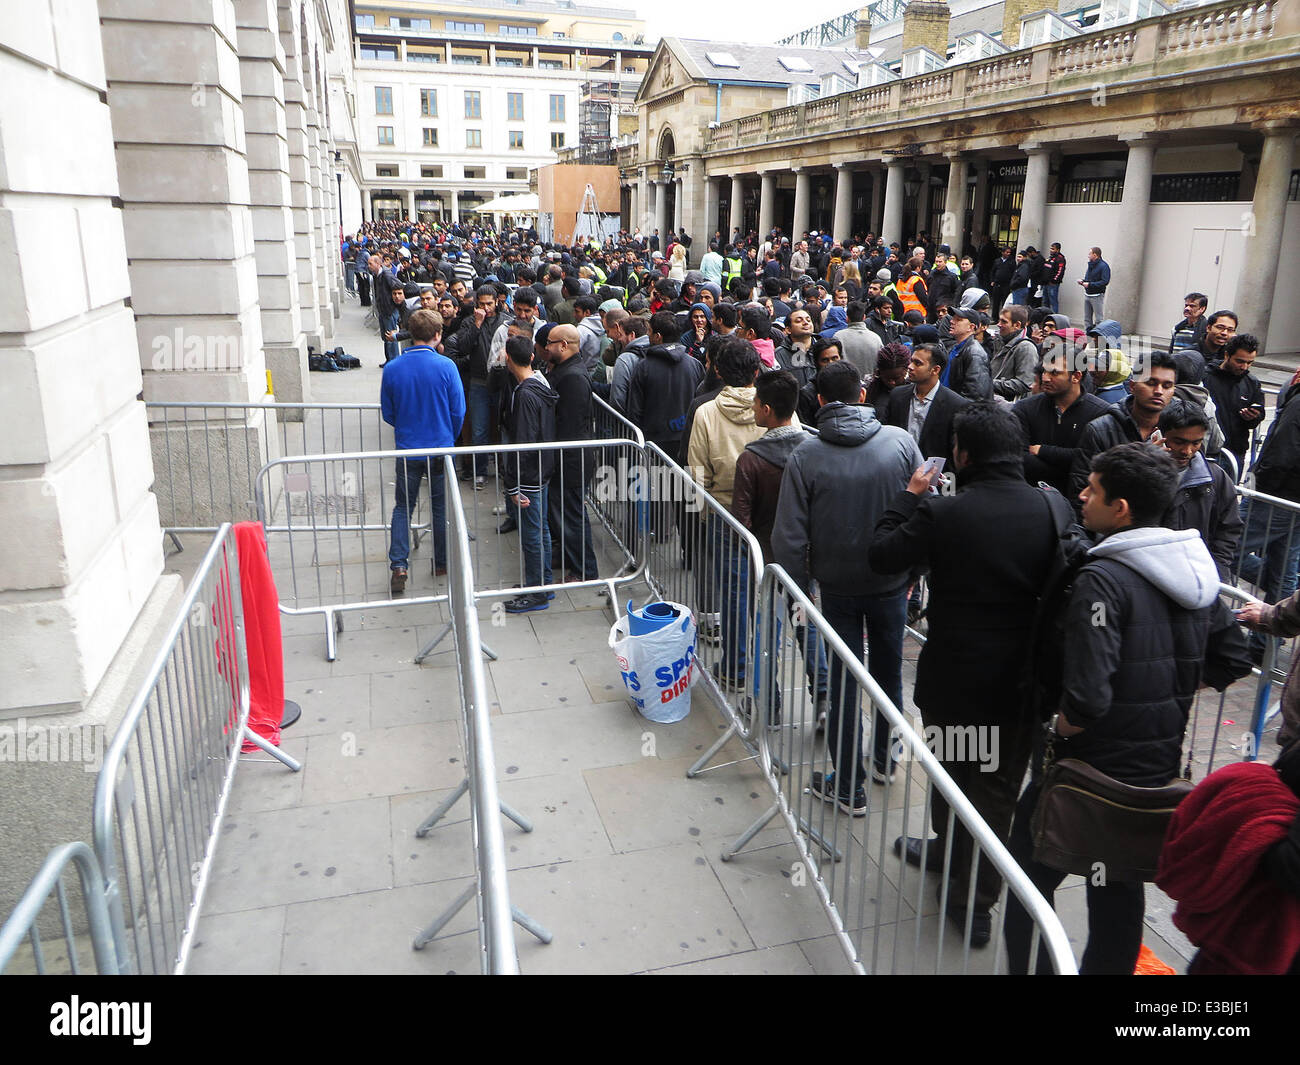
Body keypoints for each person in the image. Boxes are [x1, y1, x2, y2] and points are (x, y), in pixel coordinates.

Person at [1004, 443, 1246, 975]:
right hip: (1152, 776)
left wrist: (1058, 728)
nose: (1082, 495)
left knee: (1030, 886)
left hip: (1083, 774)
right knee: (1115, 899)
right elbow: (1233, 657)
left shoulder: (1102, 578)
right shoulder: (1194, 568)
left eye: (1093, 488)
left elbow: (1089, 698)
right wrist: (1166, 688)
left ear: (1122, 509)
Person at [870, 403, 1067, 947]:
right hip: (1021, 687)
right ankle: (962, 879)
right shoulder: (1056, 510)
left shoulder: (944, 512)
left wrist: (909, 495)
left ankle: (970, 896)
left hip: (955, 680)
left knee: (953, 774)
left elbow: (882, 554)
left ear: (962, 454)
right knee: (995, 791)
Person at [773, 361, 923, 814]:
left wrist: (799, 591)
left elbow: (790, 535)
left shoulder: (806, 455)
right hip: (891, 584)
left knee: (842, 683)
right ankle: (884, 758)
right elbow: (923, 512)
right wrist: (914, 573)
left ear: (818, 400)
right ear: (861, 394)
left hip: (836, 588)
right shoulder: (900, 443)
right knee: (888, 673)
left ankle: (849, 786)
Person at [687, 338, 767, 687]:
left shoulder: (705, 412)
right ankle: (765, 675)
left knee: (733, 593)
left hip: (724, 513)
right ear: (756, 371)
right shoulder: (776, 406)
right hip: (768, 512)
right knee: (768, 595)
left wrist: (702, 513)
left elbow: (696, 472)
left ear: (717, 370)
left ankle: (735, 669)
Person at [381, 310, 466, 595]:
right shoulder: (447, 367)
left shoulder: (393, 368)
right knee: (440, 507)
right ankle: (440, 562)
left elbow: (389, 413)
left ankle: (399, 565)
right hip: (440, 448)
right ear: (438, 335)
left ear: (408, 332)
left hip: (408, 449)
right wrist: (448, 435)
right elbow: (459, 411)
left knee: (403, 507)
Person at [1070, 351, 1180, 506]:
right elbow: (1081, 493)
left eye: (1167, 386)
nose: (1159, 391)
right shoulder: (1100, 430)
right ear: (1133, 386)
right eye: (1150, 383)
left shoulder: (1177, 431)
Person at [499, 334, 559, 614]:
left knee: (533, 534)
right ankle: (542, 585)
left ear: (509, 359)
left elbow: (521, 443)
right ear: (532, 357)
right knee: (541, 530)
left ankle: (537, 593)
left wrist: (513, 485)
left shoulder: (525, 394)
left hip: (530, 476)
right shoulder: (540, 384)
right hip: (542, 470)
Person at [1158, 402, 1242, 583]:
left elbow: (1229, 528)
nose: (1187, 451)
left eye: (1195, 443)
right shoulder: (1139, 470)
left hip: (1198, 578)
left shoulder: (1216, 478)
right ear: (1161, 435)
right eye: (1179, 442)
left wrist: (1217, 569)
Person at [541, 324, 598, 583]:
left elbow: (571, 426)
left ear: (564, 345)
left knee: (571, 516)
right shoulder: (566, 370)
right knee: (563, 513)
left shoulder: (573, 376)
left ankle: (584, 570)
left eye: (550, 343)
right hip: (566, 458)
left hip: (571, 460)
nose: (546, 347)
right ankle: (569, 557)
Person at [1014, 344, 1110, 494]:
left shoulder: (1101, 413)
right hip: (1030, 497)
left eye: (1054, 373)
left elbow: (1093, 463)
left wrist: (1044, 451)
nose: (1045, 378)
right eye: (1045, 371)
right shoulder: (1025, 408)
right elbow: (1018, 459)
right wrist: (1070, 463)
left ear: (1076, 376)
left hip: (1078, 501)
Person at [886, 343, 970, 459]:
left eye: (918, 363)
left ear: (935, 370)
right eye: (911, 361)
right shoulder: (897, 395)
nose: (910, 366)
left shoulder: (956, 405)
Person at [1203, 333, 1266, 478]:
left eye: (1250, 362)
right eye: (1240, 361)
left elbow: (1259, 414)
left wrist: (1253, 417)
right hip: (1208, 451)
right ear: (1227, 355)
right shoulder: (1206, 377)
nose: (1244, 366)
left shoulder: (1252, 383)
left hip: (1235, 452)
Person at [989, 305, 1038, 401]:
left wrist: (990, 383)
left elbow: (1025, 384)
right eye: (999, 320)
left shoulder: (1026, 348)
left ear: (1017, 325)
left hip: (1007, 406)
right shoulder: (1000, 340)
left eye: (1004, 321)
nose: (998, 324)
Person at [836, 300, 883, 379]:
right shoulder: (876, 339)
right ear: (864, 317)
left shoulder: (838, 337)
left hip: (845, 385)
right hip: (869, 386)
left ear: (847, 318)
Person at [1077, 246, 1110, 333]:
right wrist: (1083, 281)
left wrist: (1090, 285)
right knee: (1087, 318)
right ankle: (1087, 335)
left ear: (1095, 255)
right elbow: (1089, 278)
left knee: (1099, 319)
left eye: (1090, 254)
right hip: (1087, 294)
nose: (1088, 256)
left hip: (1097, 295)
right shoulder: (1091, 265)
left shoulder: (1104, 266)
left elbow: (1105, 281)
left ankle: (1099, 337)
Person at [1041, 243, 1066, 313]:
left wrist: (1054, 281)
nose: (1051, 250)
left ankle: (1054, 319)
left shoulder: (1060, 259)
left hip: (1052, 284)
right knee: (1045, 301)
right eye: (1050, 248)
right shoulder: (1050, 258)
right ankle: (1045, 317)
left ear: (1058, 250)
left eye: (1053, 249)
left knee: (1053, 302)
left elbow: (1060, 271)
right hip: (1045, 283)